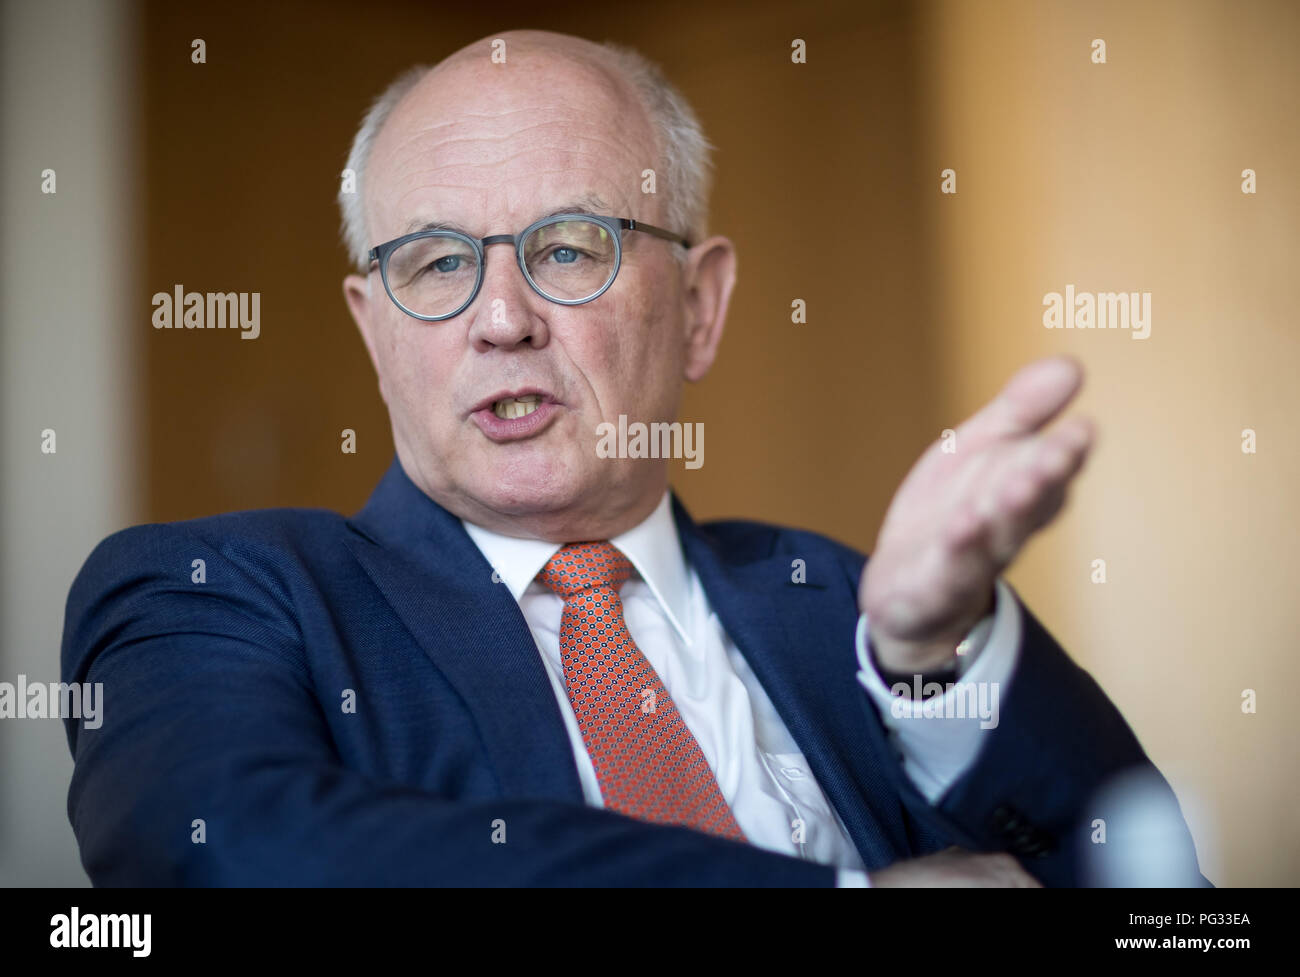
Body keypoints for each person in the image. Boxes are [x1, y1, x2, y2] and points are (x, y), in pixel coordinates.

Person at [61, 30, 1205, 887]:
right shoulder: (213, 592)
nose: (499, 318)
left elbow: (1166, 903)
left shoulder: (863, 607)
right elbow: (222, 848)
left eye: (568, 246)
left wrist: (934, 661)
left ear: (701, 307)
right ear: (374, 326)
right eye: (435, 264)